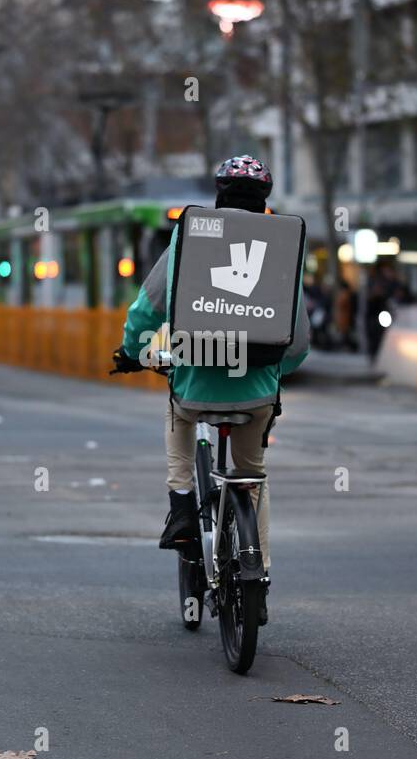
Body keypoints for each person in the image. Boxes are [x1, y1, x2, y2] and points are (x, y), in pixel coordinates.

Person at [110, 155, 310, 620]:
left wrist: (131, 351)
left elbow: (148, 307)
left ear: (218, 193)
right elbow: (297, 337)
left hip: (196, 383)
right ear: (265, 200)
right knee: (252, 474)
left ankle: (181, 507)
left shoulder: (192, 231)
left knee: (178, 415)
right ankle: (257, 573)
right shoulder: (283, 239)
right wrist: (278, 370)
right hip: (257, 389)